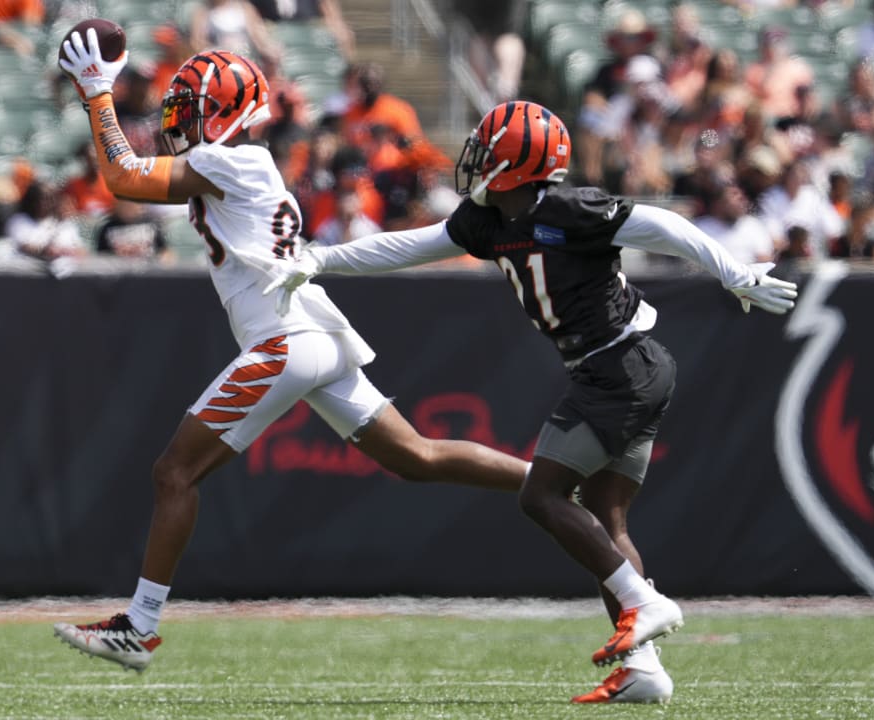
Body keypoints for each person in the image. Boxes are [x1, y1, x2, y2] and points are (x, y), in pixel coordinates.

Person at [264, 101, 798, 704]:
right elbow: (407, 247)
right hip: (623, 368)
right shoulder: (490, 220)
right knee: (605, 516)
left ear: (519, 163)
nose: (477, 161)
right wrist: (320, 259)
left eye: (490, 150)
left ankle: (643, 602)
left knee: (541, 495)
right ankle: (644, 669)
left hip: (622, 369)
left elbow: (667, 228)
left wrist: (733, 273)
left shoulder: (570, 210)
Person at [53, 35, 529, 671]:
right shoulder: (239, 164)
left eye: (190, 107)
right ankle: (551, 481)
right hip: (311, 330)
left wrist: (95, 90)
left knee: (174, 474)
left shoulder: (233, 162)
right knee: (416, 455)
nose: (179, 119)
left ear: (223, 110)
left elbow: (120, 177)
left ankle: (138, 626)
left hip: (286, 340)